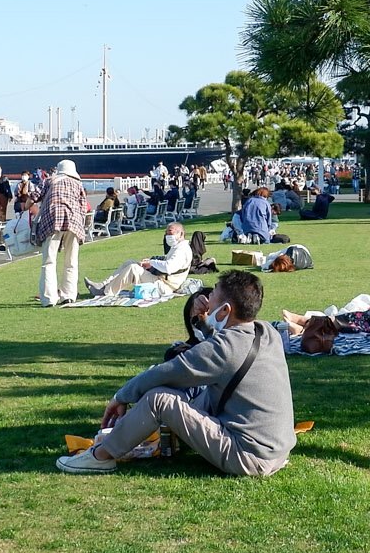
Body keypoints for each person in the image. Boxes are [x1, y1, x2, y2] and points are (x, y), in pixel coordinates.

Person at [56, 271, 297, 477]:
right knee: (192, 398)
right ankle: (126, 441)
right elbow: (226, 352)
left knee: (159, 399)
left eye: (211, 297)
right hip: (276, 451)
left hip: (249, 457)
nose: (207, 300)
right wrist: (204, 322)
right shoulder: (265, 331)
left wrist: (121, 397)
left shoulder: (225, 349)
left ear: (225, 310)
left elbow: (167, 372)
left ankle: (100, 457)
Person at [86, 222, 194, 298]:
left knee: (133, 269)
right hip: (162, 280)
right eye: (166, 233)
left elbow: (168, 267)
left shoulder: (182, 250)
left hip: (166, 286)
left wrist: (151, 262)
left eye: (171, 233)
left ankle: (106, 293)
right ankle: (104, 285)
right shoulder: (178, 247)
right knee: (130, 262)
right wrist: (151, 263)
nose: (168, 236)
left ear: (181, 234)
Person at [36, 159, 90, 307]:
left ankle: (48, 298)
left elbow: (34, 196)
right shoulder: (77, 184)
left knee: (49, 261)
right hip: (74, 223)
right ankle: (69, 295)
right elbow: (83, 206)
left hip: (52, 221)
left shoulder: (49, 181)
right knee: (71, 262)